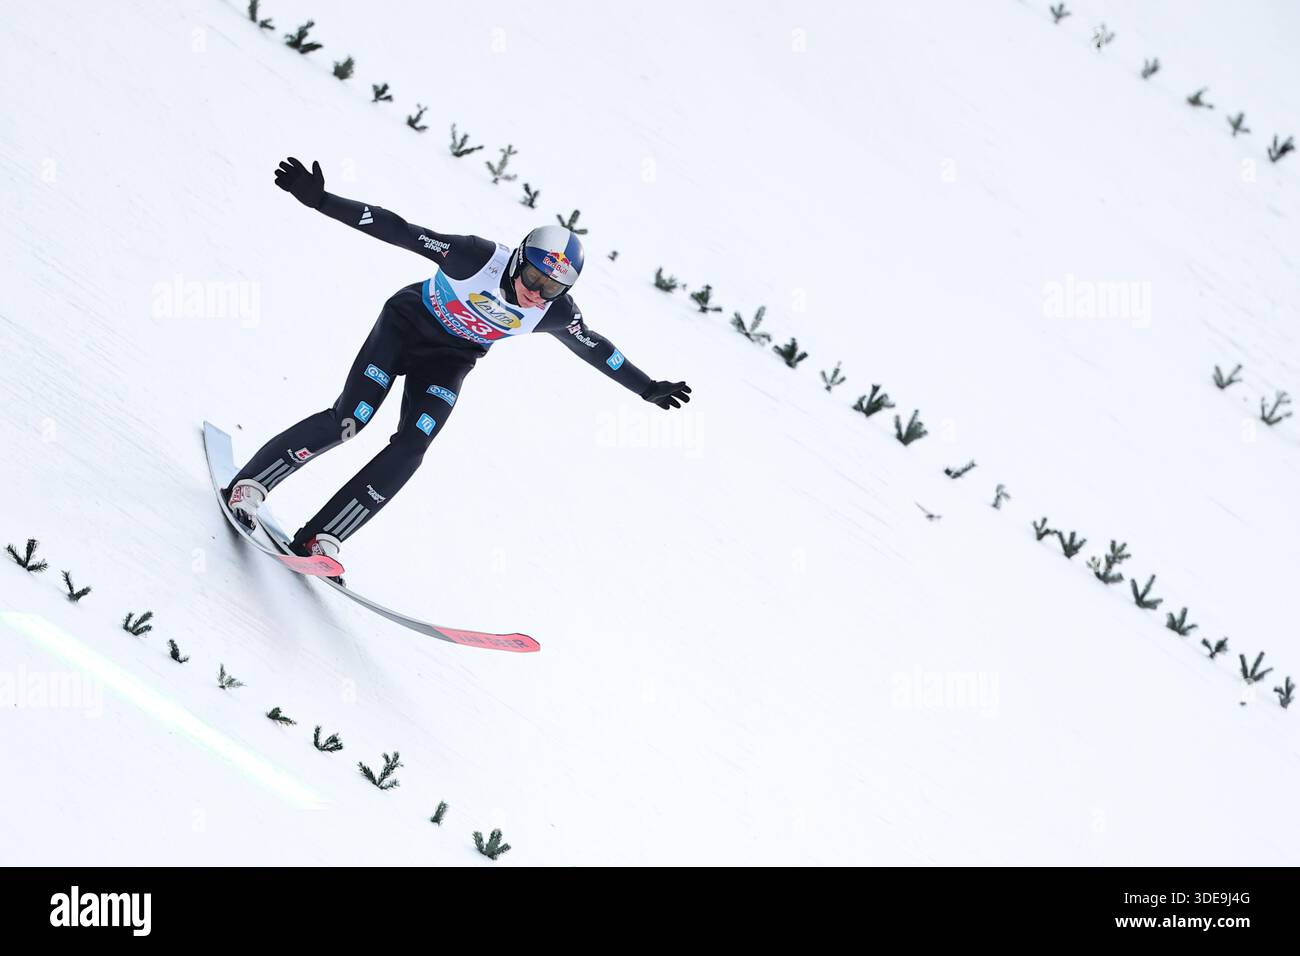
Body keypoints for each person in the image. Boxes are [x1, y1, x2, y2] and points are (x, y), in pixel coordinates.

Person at [223, 157, 691, 573]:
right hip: (404, 327)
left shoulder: (555, 312)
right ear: (518, 259)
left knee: (411, 447)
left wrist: (645, 387)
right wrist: (323, 201)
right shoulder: (476, 257)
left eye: (550, 289)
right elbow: (399, 230)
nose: (534, 292)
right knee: (351, 420)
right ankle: (250, 485)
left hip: (448, 362)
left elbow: (595, 348)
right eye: (532, 277)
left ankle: (324, 537)